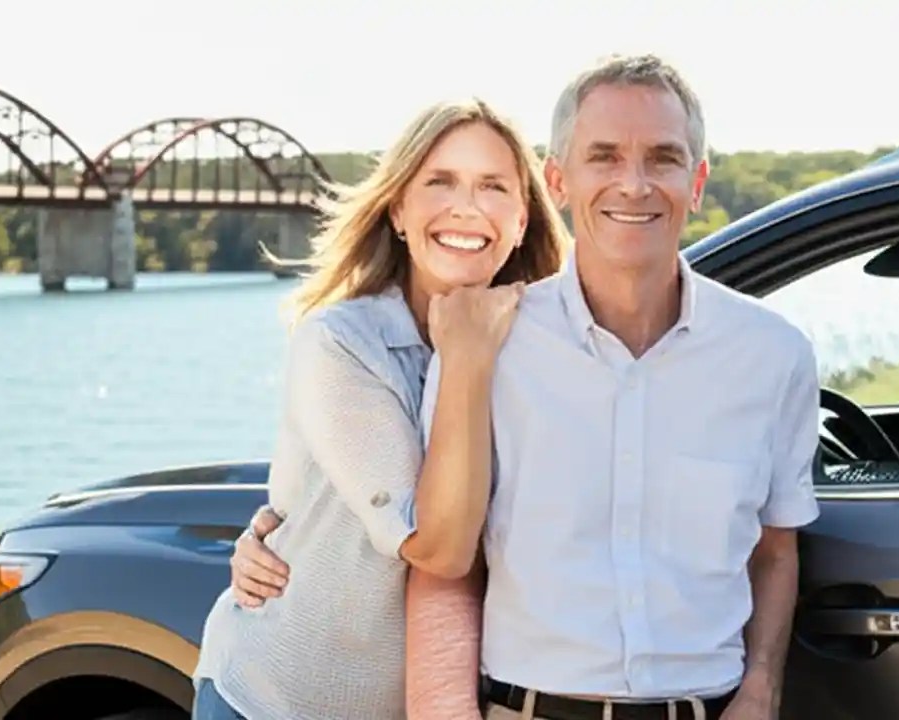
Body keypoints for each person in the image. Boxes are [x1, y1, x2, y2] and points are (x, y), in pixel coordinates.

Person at [234, 54, 821, 720]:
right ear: (559, 180)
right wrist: (261, 532)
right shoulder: (467, 353)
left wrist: (762, 688)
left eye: (662, 158)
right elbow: (443, 562)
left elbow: (775, 548)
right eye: (603, 156)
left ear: (699, 180)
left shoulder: (773, 356)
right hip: (304, 693)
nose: (634, 184)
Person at [192, 96, 570, 720]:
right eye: (440, 181)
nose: (467, 207)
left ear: (523, 218)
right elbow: (438, 548)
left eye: (493, 186)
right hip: (273, 700)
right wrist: (468, 358)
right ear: (399, 209)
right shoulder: (340, 343)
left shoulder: (552, 350)